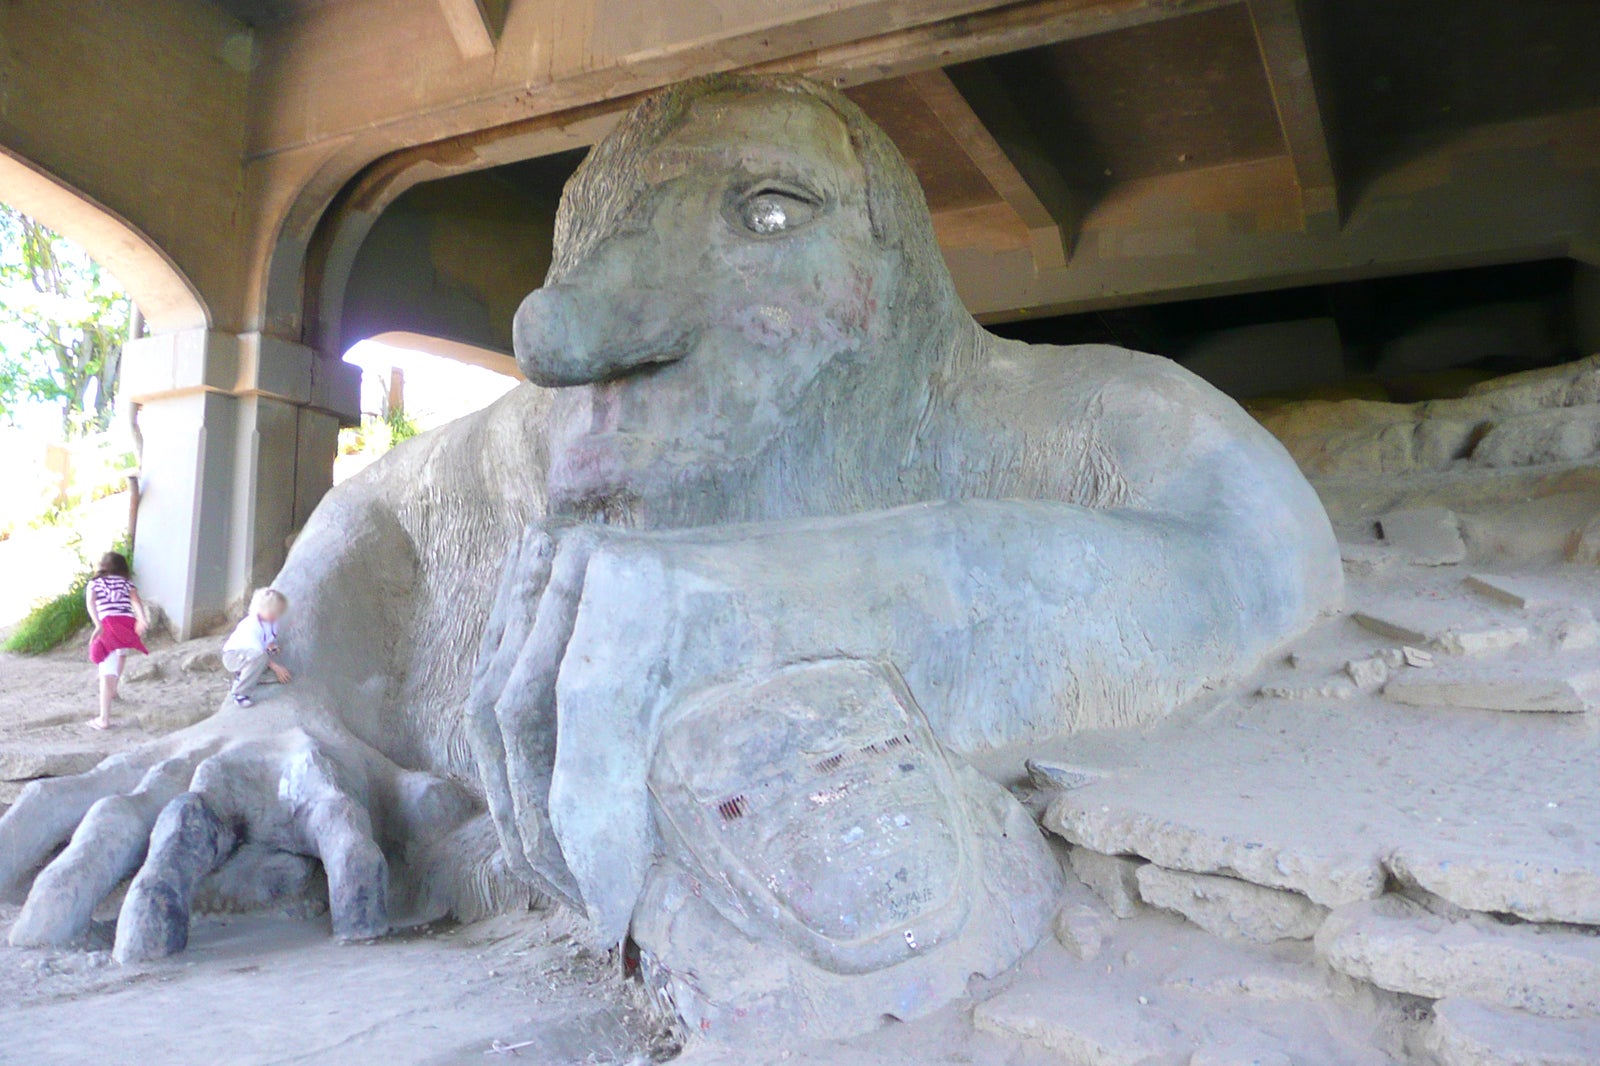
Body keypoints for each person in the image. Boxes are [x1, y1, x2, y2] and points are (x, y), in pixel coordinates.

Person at [85, 551, 150, 730]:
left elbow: (90, 603)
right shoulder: (127, 582)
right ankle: (114, 691)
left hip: (108, 624)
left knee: (106, 670)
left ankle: (103, 719)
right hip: (127, 624)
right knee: (121, 654)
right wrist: (141, 619)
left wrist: (98, 624)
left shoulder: (95, 583)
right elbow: (136, 601)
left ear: (102, 567)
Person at [221, 588, 292, 707]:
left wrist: (270, 646)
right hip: (233, 656)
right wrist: (276, 667)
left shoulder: (272, 622)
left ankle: (246, 676)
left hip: (253, 656)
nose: (277, 615)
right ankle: (240, 692)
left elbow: (266, 639)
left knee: (278, 677)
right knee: (262, 659)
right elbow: (258, 653)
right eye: (274, 611)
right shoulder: (250, 626)